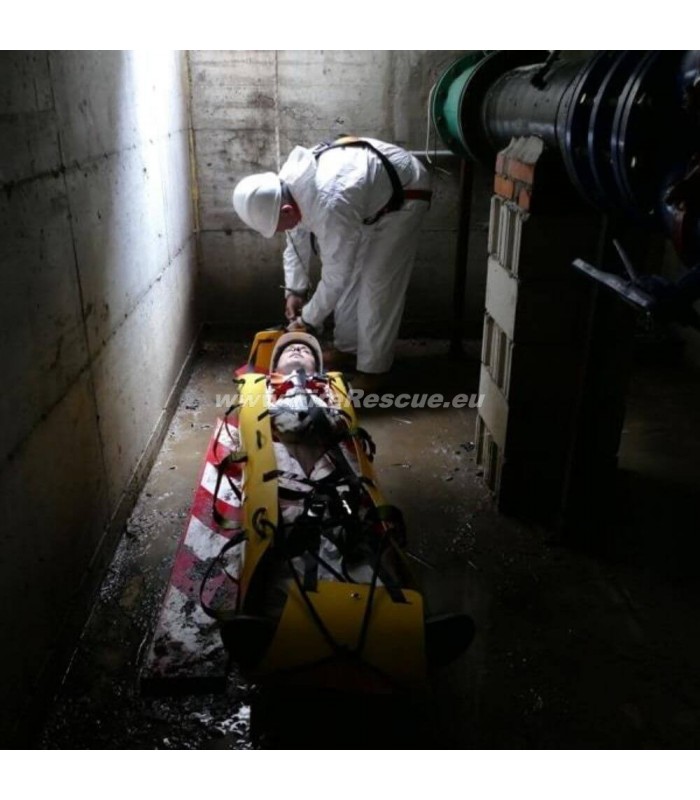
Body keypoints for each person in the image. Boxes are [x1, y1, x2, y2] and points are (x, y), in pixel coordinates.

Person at [232, 136, 432, 389]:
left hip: (406, 193)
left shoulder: (330, 203)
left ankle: (375, 371)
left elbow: (336, 276)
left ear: (286, 210)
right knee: (351, 279)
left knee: (377, 284)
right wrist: (295, 290)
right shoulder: (286, 191)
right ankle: (348, 350)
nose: (284, 232)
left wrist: (306, 321)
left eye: (280, 227)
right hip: (368, 198)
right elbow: (296, 241)